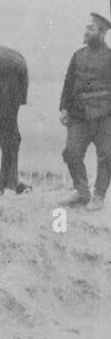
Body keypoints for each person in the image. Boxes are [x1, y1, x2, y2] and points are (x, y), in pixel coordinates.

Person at [58, 12, 111, 211]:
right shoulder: (78, 56)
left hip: (105, 115)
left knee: (107, 155)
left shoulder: (110, 57)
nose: (86, 32)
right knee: (71, 152)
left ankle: (99, 195)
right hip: (79, 115)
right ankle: (81, 192)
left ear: (102, 32)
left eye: (91, 29)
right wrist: (63, 107)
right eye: (86, 28)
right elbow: (68, 83)